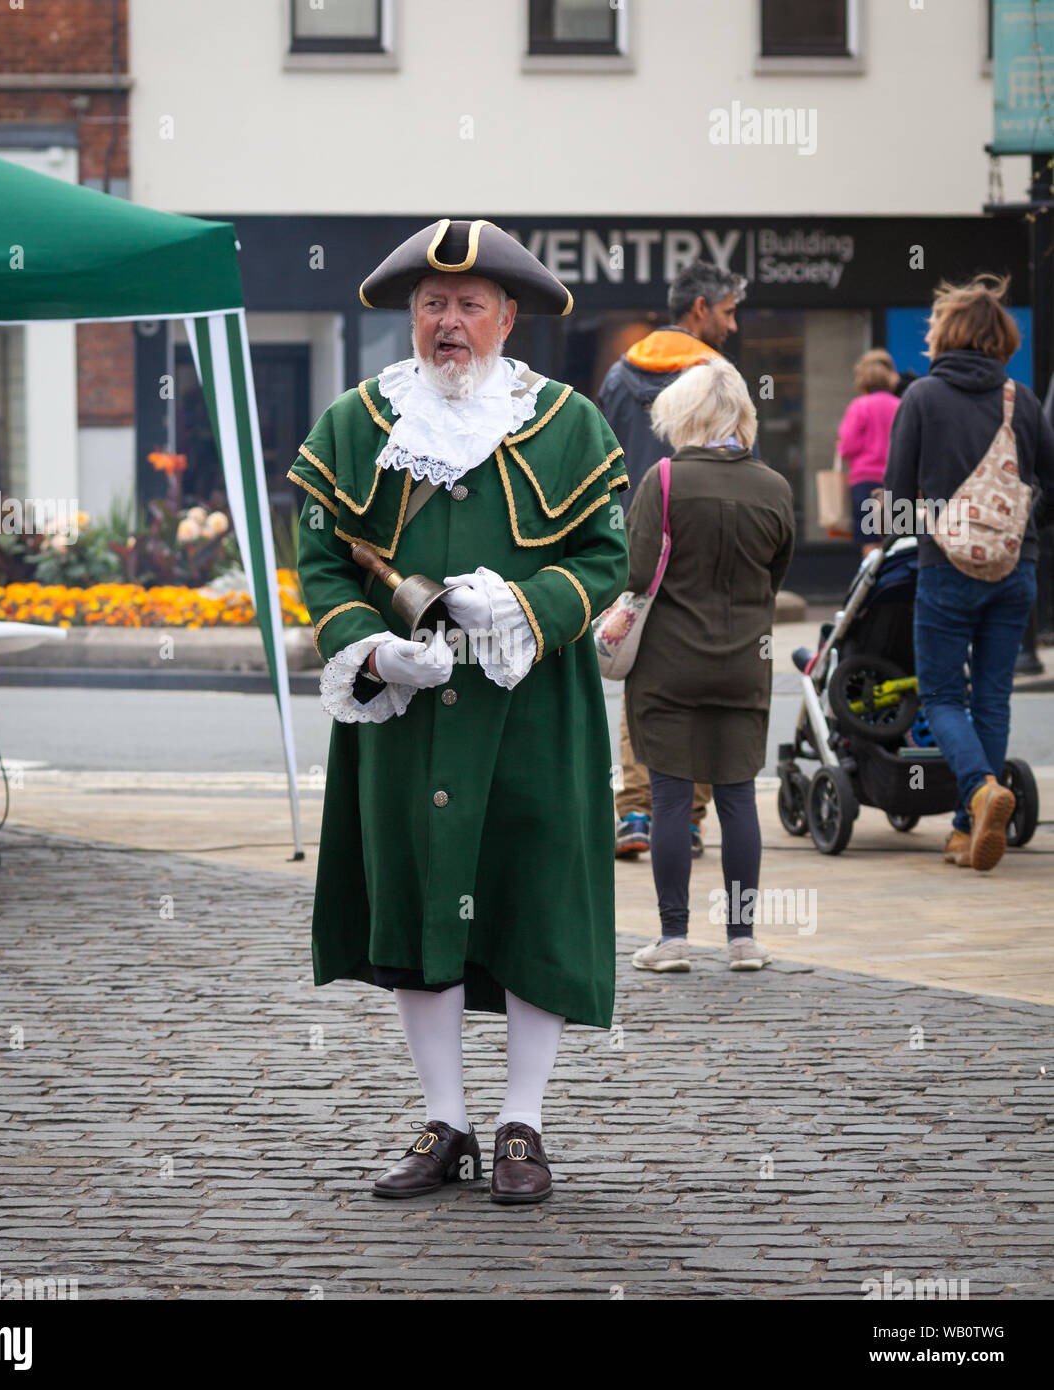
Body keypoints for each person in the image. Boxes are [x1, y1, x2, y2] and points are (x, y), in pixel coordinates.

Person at [288, 219, 629, 1204]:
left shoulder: (569, 423)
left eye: (468, 305)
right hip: (410, 713)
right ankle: (449, 1122)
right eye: (432, 306)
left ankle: (524, 1122)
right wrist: (370, 643)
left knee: (531, 897)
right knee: (419, 898)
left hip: (532, 707)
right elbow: (319, 558)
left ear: (507, 317)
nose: (448, 323)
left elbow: (606, 558)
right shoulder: (357, 424)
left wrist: (521, 606)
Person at [624, 357, 794, 973]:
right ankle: (743, 939)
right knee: (738, 798)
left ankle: (672, 941)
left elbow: (637, 574)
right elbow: (777, 575)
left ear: (683, 415)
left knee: (670, 799)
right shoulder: (774, 487)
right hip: (746, 662)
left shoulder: (663, 480)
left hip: (669, 666)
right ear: (742, 415)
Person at [883, 274, 1054, 871]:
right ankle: (964, 829)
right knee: (993, 698)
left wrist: (891, 538)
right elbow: (1048, 480)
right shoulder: (1021, 397)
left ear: (951, 334)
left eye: (933, 326)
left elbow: (898, 492)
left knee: (941, 696)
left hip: (946, 567)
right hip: (1016, 569)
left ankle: (981, 790)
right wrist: (1022, 529)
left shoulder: (923, 397)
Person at [599, 261, 747, 862]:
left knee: (645, 682)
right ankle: (686, 817)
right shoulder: (719, 377)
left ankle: (637, 811)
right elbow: (742, 464)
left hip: (640, 548)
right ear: (701, 309)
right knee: (709, 684)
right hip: (709, 550)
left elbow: (602, 465)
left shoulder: (617, 373)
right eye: (729, 311)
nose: (733, 326)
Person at [837, 349, 900, 557]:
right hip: (895, 480)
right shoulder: (900, 406)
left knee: (870, 539)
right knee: (894, 537)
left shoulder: (859, 406)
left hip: (865, 482)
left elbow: (847, 447)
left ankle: (873, 585)